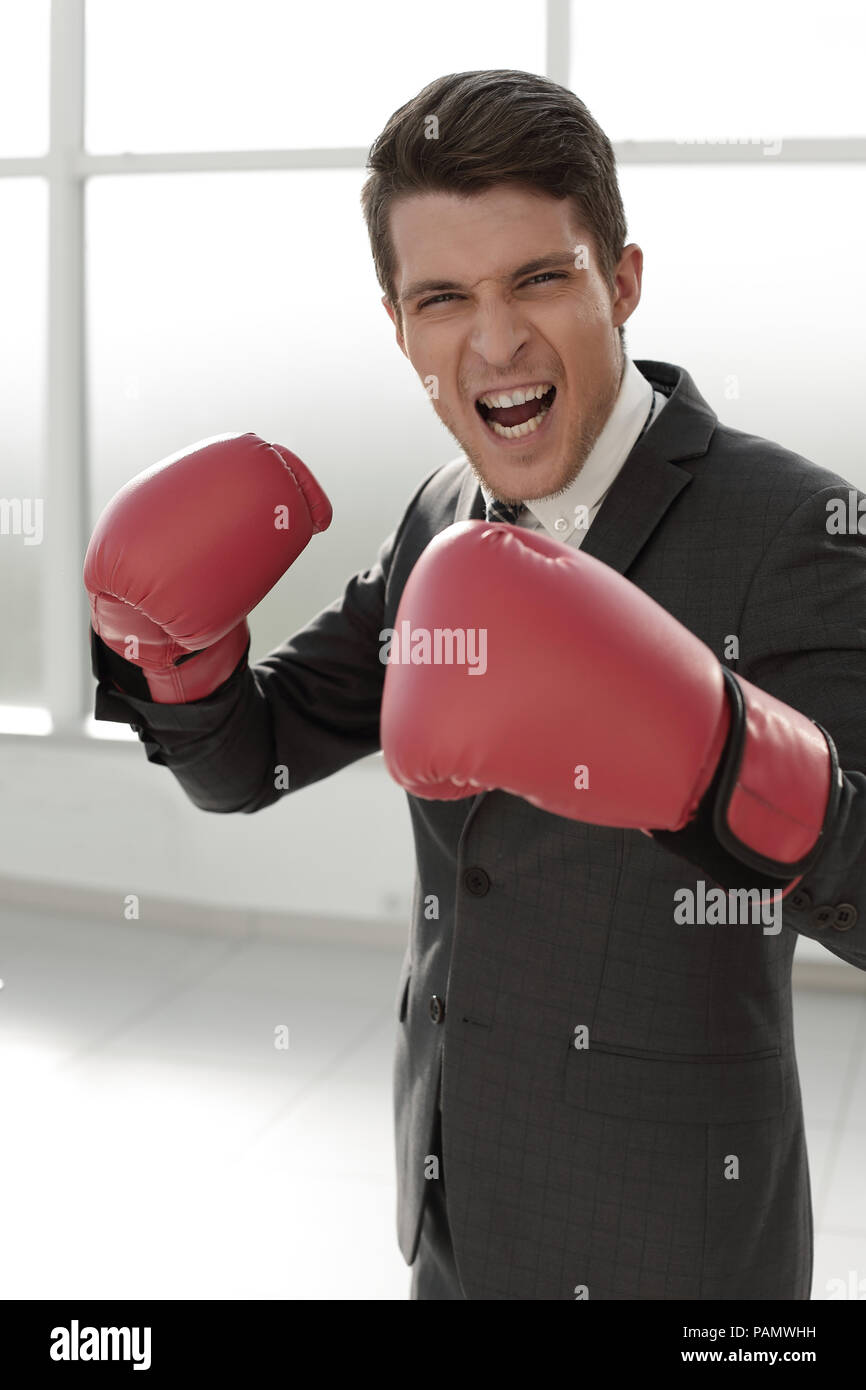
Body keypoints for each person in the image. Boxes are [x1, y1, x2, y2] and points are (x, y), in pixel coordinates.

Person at [84, 69, 866, 1301]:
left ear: (619, 281)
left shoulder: (787, 528)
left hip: (673, 1245)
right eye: (442, 298)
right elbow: (252, 759)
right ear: (399, 329)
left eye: (537, 279)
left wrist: (730, 765)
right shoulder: (440, 517)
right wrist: (166, 659)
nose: (493, 341)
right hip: (452, 1217)